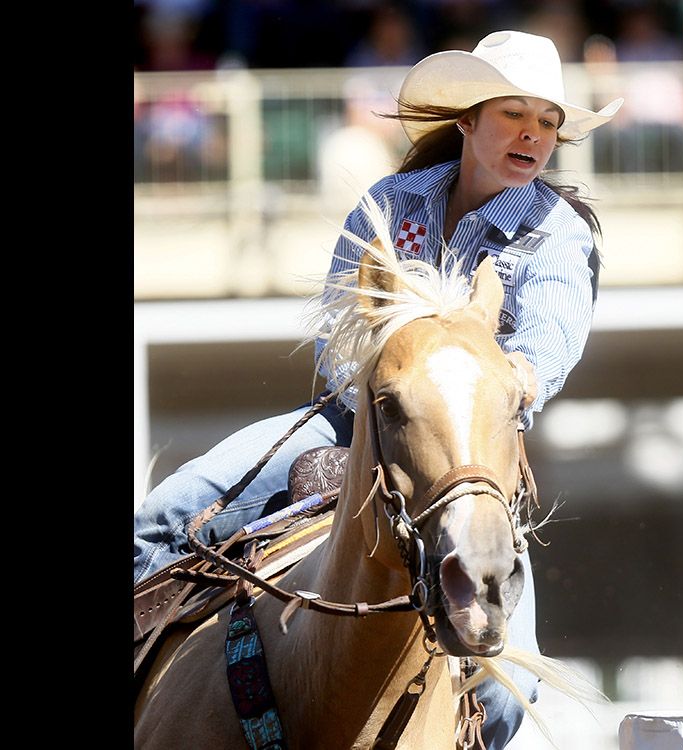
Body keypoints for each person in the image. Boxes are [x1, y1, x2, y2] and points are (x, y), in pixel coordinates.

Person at [134, 29, 622, 748]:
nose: (534, 135)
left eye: (547, 121)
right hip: (359, 417)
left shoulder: (557, 233)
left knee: (510, 685)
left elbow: (545, 347)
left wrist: (511, 377)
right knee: (167, 514)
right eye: (514, 115)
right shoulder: (393, 200)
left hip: (473, 452)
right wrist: (399, 386)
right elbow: (342, 338)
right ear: (467, 120)